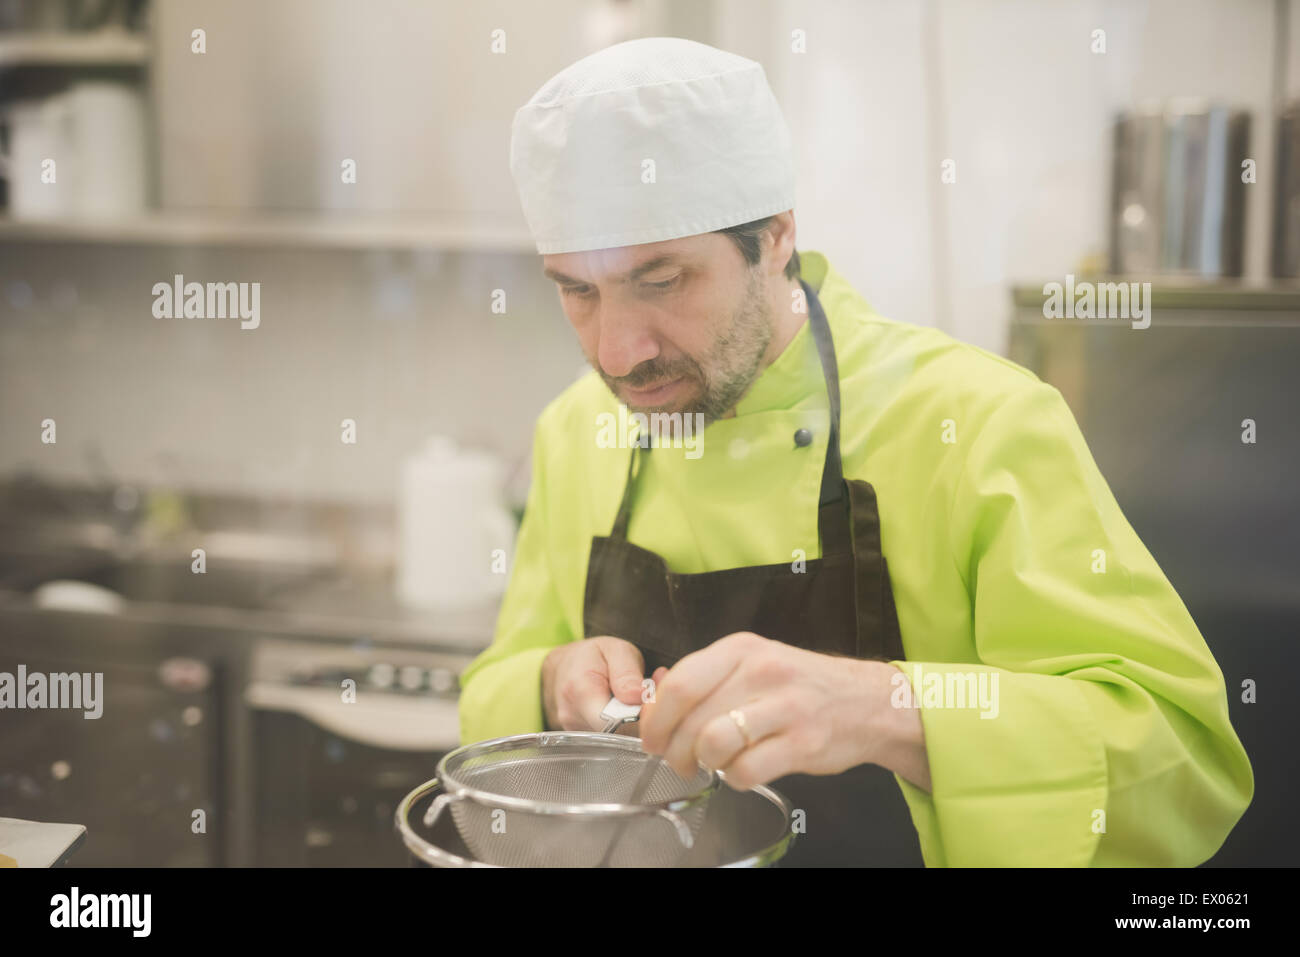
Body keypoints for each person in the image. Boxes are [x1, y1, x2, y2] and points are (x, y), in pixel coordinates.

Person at [457, 36, 1253, 866]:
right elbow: (496, 683)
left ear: (775, 238)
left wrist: (890, 707)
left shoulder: (973, 422)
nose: (617, 354)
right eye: (577, 291)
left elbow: (1184, 768)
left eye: (662, 282)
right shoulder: (578, 428)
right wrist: (552, 684)